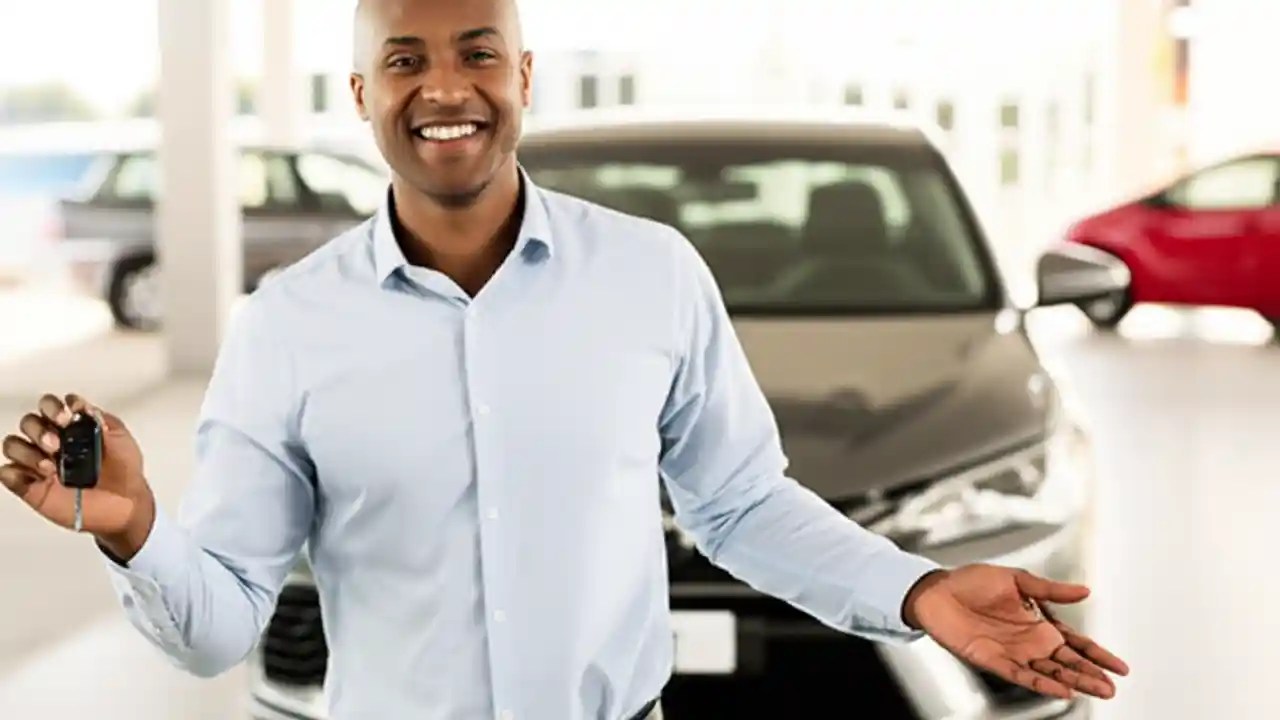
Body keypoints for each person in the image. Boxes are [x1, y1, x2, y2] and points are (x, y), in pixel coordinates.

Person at [0, 0, 1129, 718]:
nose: (445, 87)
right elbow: (219, 629)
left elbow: (738, 506)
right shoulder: (289, 324)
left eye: (476, 52)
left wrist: (918, 590)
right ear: (360, 96)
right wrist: (136, 528)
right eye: (403, 59)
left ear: (525, 77)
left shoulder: (650, 277)